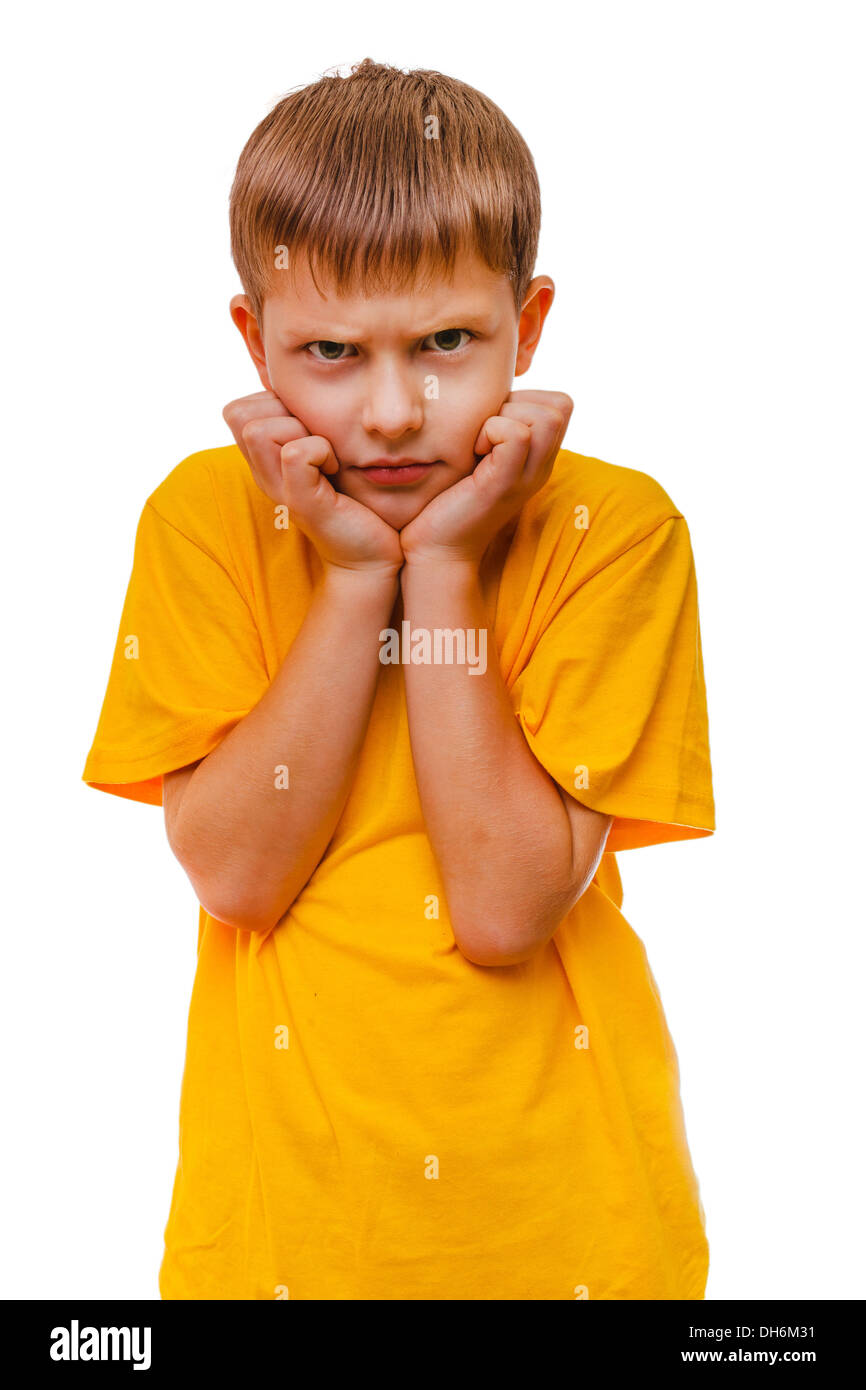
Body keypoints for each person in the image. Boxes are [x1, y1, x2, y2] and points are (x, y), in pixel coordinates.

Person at [81, 57, 715, 1300]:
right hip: (281, 1240)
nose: (388, 410)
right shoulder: (204, 518)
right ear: (251, 340)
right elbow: (234, 873)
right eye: (326, 349)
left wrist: (444, 573)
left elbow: (502, 907)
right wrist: (355, 580)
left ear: (525, 329)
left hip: (571, 1233)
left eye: (445, 343)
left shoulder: (617, 531)